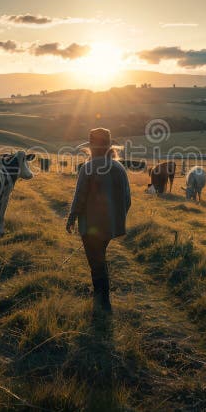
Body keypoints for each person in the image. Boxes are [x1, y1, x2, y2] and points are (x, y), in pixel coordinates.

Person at [66, 128, 131, 313]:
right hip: (110, 227)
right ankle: (101, 297)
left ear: (91, 147)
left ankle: (102, 301)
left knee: (96, 263)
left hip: (91, 227)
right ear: (109, 146)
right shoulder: (119, 168)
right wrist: (116, 217)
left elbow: (80, 197)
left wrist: (72, 217)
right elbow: (127, 199)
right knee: (99, 258)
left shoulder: (88, 167)